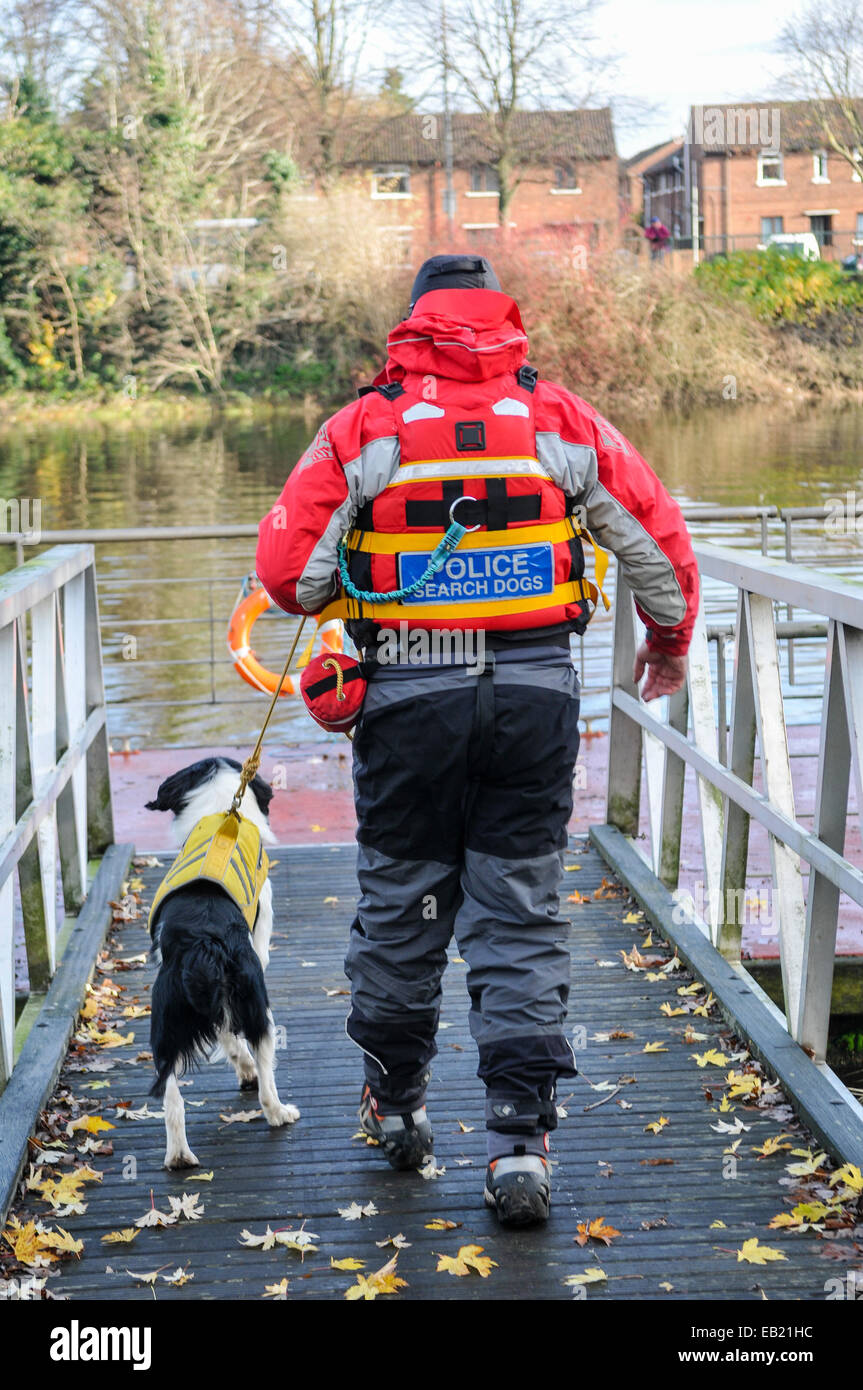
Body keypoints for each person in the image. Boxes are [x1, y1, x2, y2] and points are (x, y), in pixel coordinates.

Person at [256, 253, 698, 1227]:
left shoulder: (363, 426)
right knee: (519, 915)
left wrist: (363, 577)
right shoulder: (560, 420)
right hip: (536, 696)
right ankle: (517, 1146)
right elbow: (657, 542)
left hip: (408, 698)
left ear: (411, 323)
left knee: (400, 909)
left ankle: (400, 1106)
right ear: (501, 318)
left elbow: (289, 572)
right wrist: (664, 644)